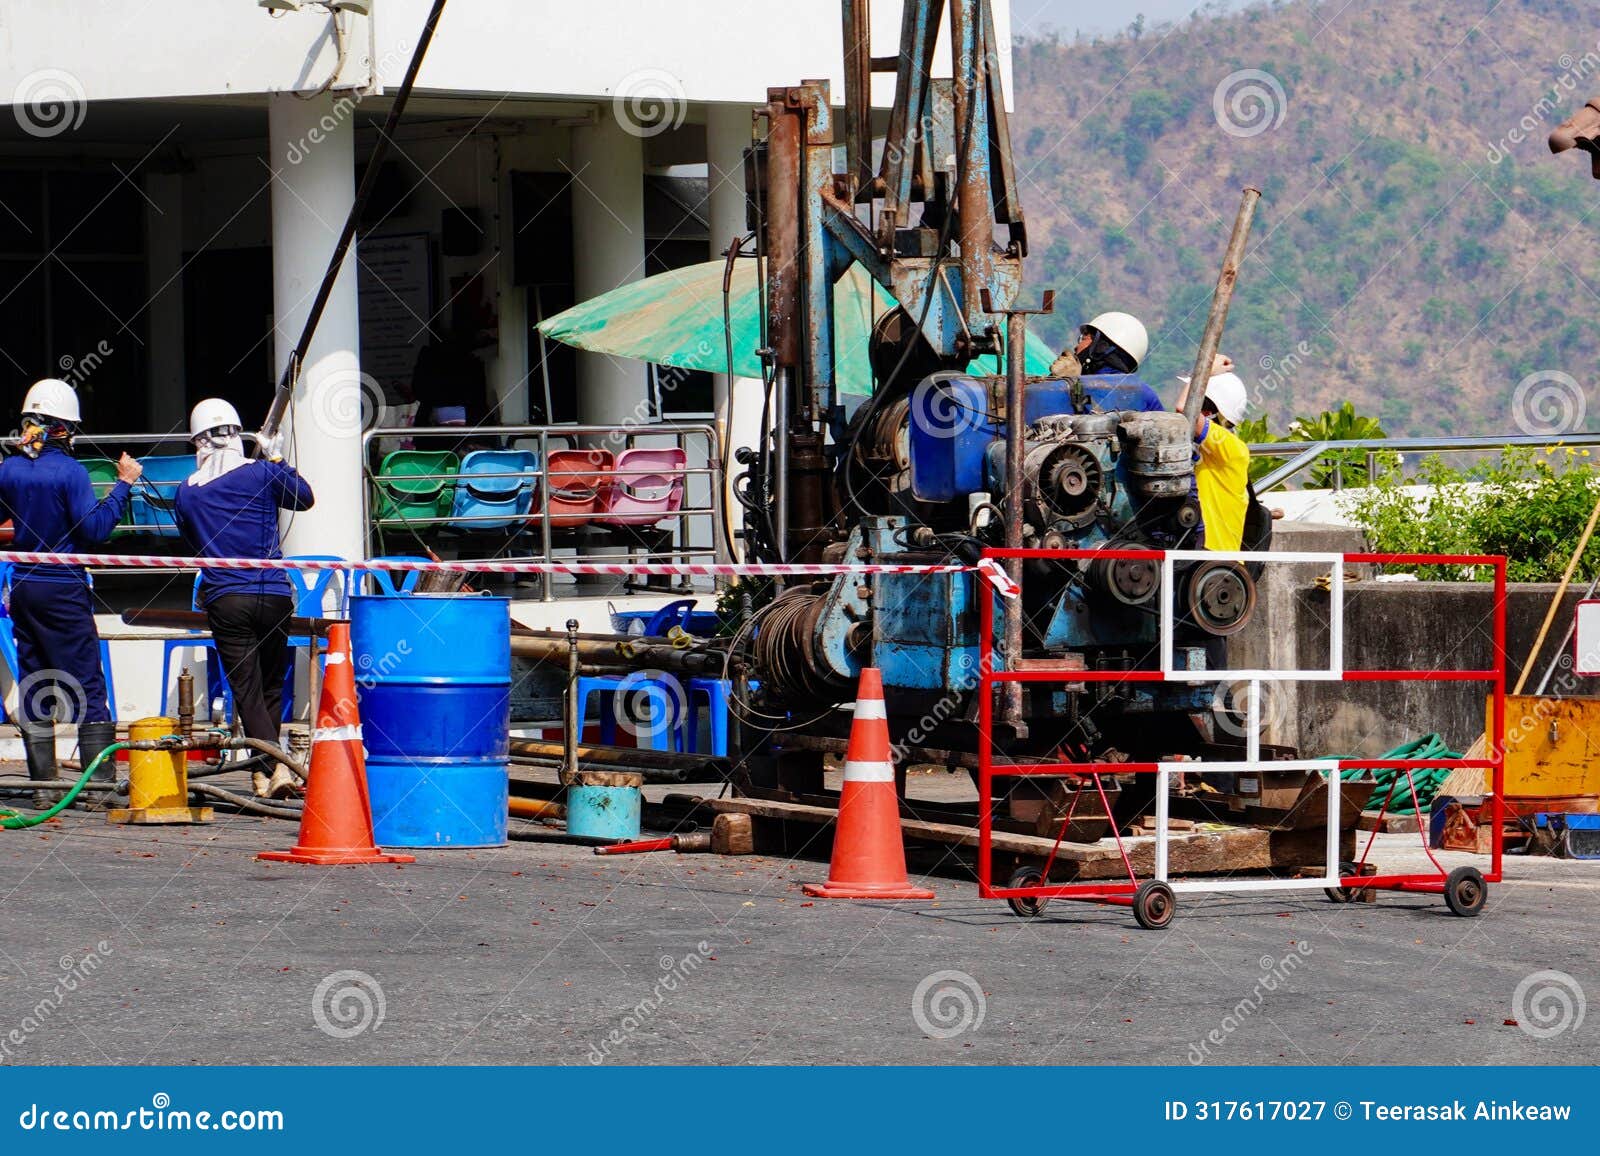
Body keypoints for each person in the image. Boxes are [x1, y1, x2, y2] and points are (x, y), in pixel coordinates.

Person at [0, 378, 141, 808]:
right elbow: (94, 530)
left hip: (23, 586)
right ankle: (98, 788)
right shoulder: (71, 472)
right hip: (63, 587)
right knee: (87, 683)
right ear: (64, 428)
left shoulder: (9, 469)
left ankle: (45, 788)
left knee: (36, 678)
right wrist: (123, 485)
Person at [171, 399, 314, 798]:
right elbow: (304, 497)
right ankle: (267, 771)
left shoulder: (187, 492)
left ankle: (273, 768)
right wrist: (277, 458)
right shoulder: (262, 473)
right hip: (273, 594)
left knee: (247, 689)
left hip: (226, 597)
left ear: (198, 441)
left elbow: (192, 542)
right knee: (270, 686)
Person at [1174, 367, 1251, 552]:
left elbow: (1184, 410)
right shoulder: (1203, 448)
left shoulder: (1231, 446)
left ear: (1208, 412)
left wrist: (1205, 371)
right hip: (1197, 551)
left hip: (1214, 556)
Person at [1052, 311, 1164, 412]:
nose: (1076, 347)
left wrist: (1070, 384)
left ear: (1101, 346)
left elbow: (1091, 417)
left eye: (1083, 338)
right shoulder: (1146, 393)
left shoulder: (1089, 388)